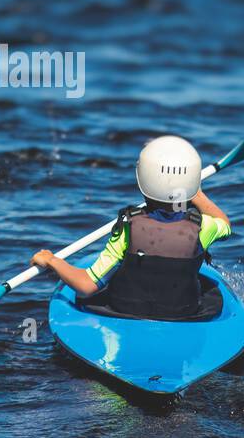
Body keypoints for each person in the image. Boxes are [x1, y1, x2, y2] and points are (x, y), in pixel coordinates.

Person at [30, 136, 232, 320]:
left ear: (141, 178)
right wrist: (195, 193)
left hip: (125, 311)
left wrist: (52, 260)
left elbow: (87, 286)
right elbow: (225, 224)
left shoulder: (128, 228)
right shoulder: (203, 227)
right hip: (184, 313)